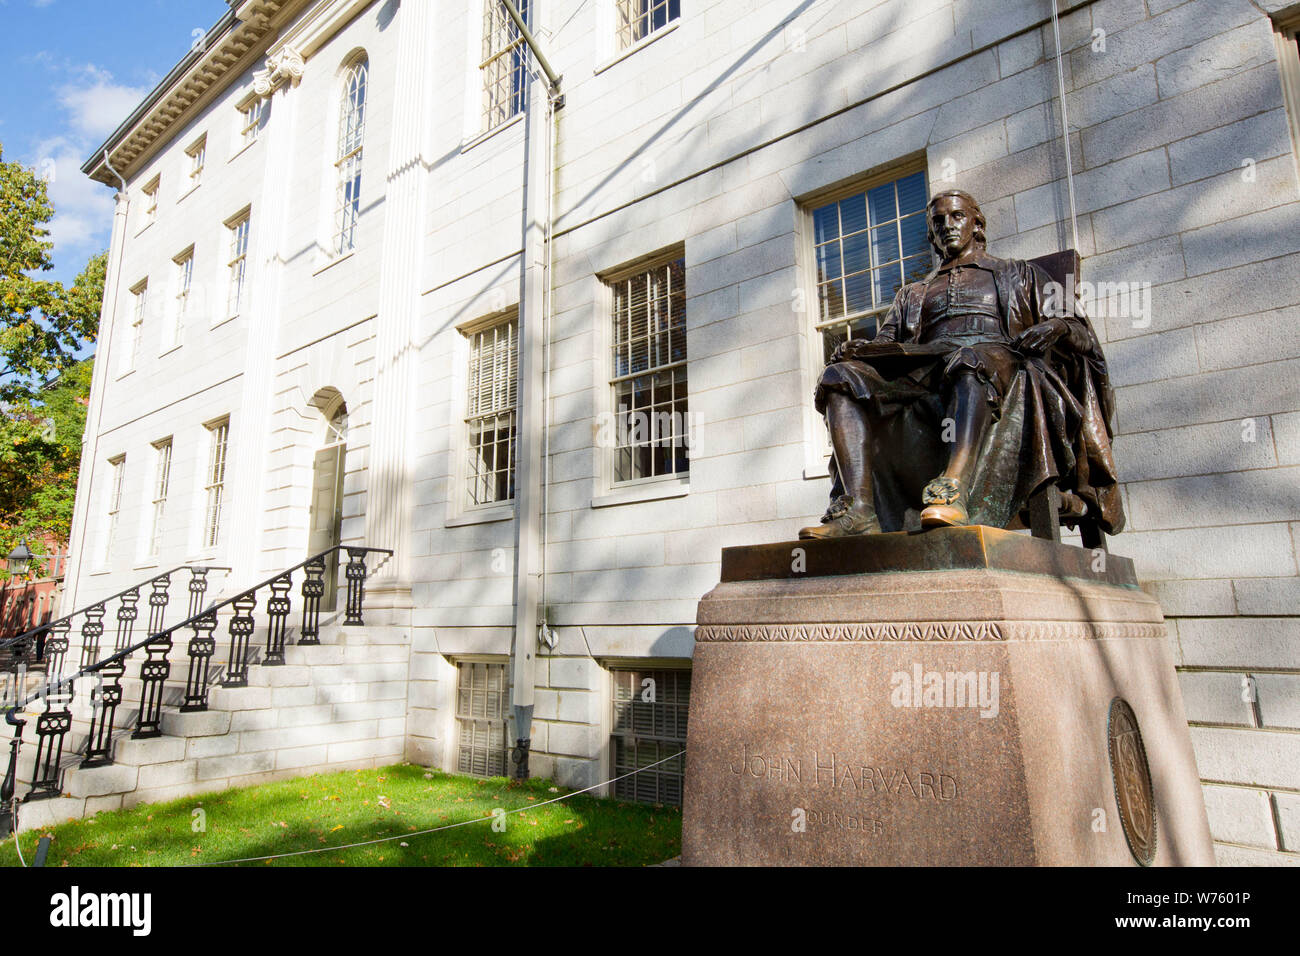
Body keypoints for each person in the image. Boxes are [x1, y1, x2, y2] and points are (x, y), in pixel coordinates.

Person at [799, 189, 1124, 539]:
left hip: (998, 361)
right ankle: (859, 509)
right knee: (839, 377)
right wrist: (860, 349)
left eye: (956, 216)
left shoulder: (1020, 274)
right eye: (937, 221)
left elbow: (1080, 334)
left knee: (967, 359)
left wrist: (1055, 326)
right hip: (922, 373)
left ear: (977, 223)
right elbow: (887, 342)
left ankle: (954, 491)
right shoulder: (913, 293)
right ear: (930, 233)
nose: (947, 226)